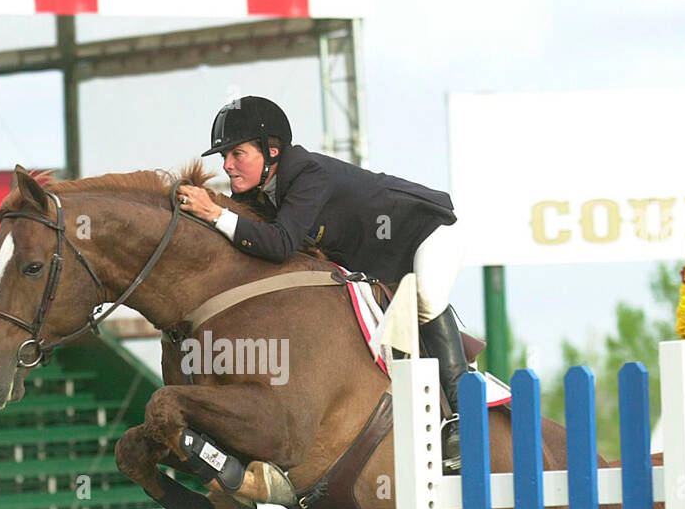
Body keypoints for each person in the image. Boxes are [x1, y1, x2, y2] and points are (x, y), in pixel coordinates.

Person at [177, 95, 469, 470]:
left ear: (272, 150)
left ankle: (461, 414)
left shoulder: (306, 174)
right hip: (377, 264)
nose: (227, 165)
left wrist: (215, 213)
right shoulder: (259, 192)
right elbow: (245, 238)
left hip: (428, 234)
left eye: (236, 154)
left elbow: (280, 244)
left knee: (425, 297)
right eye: (224, 157)